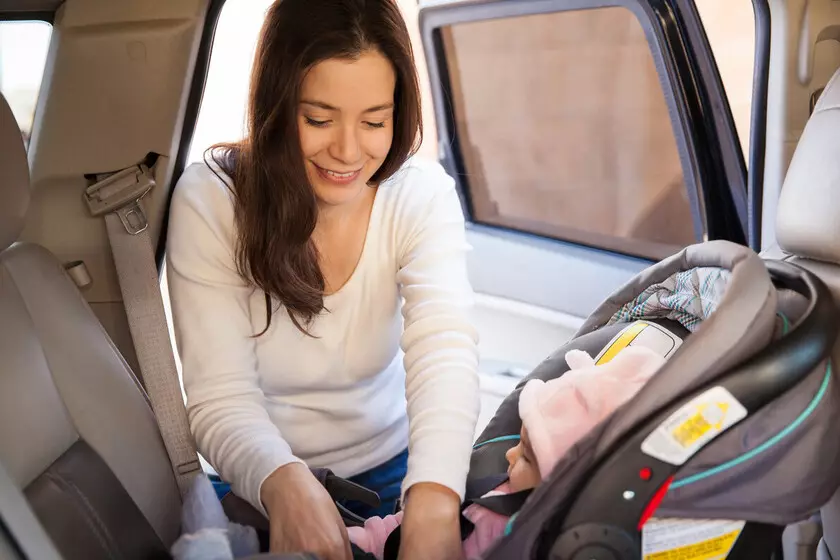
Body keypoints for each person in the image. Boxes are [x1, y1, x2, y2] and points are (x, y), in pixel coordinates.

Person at [165, 1, 481, 559]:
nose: (347, 150)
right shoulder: (211, 201)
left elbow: (444, 352)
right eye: (318, 119)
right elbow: (219, 397)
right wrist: (283, 484)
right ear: (277, 106)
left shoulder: (420, 194)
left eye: (375, 121)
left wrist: (433, 500)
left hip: (394, 468)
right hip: (260, 479)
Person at [346, 346, 666, 559]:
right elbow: (405, 528)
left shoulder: (519, 532)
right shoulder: (495, 496)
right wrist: (365, 540)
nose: (510, 455)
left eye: (527, 456)